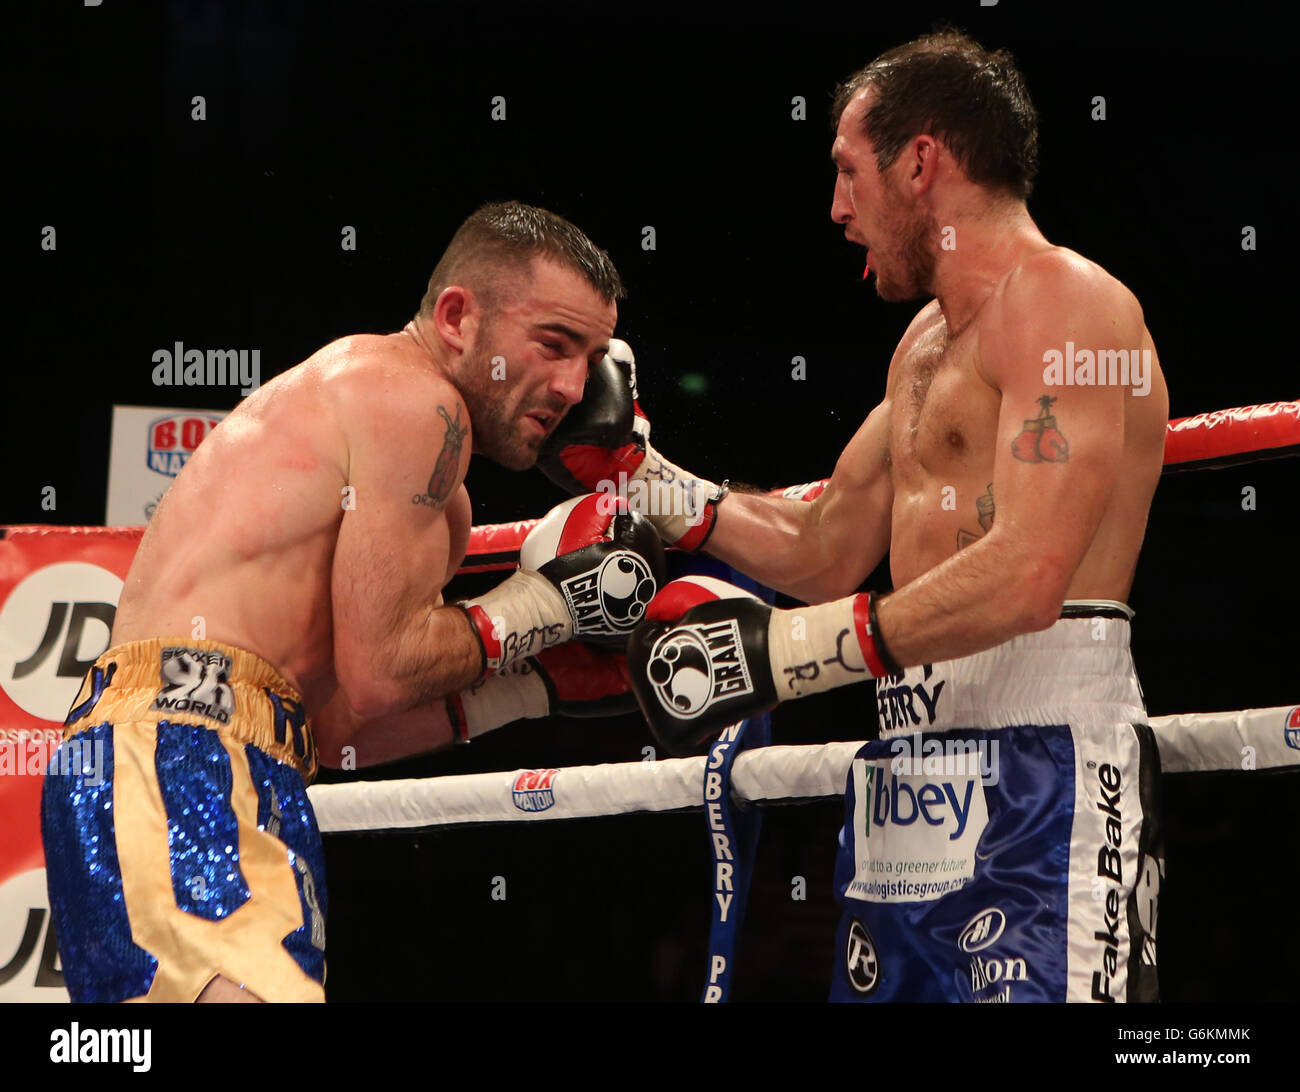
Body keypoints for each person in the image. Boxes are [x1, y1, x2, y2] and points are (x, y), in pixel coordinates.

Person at [541, 31, 1170, 1002]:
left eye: (847, 172)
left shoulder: (1066, 305)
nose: (836, 210)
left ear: (921, 162)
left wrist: (784, 653)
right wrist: (641, 475)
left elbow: (1027, 572)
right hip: (903, 777)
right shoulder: (922, 345)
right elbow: (829, 545)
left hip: (1042, 764)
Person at [42, 201, 665, 1003]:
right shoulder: (410, 399)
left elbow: (337, 727)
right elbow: (382, 668)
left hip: (227, 764)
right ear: (456, 318)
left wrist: (532, 687)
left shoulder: (442, 504)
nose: (575, 385)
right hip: (178, 755)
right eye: (552, 344)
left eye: (591, 356)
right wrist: (549, 604)